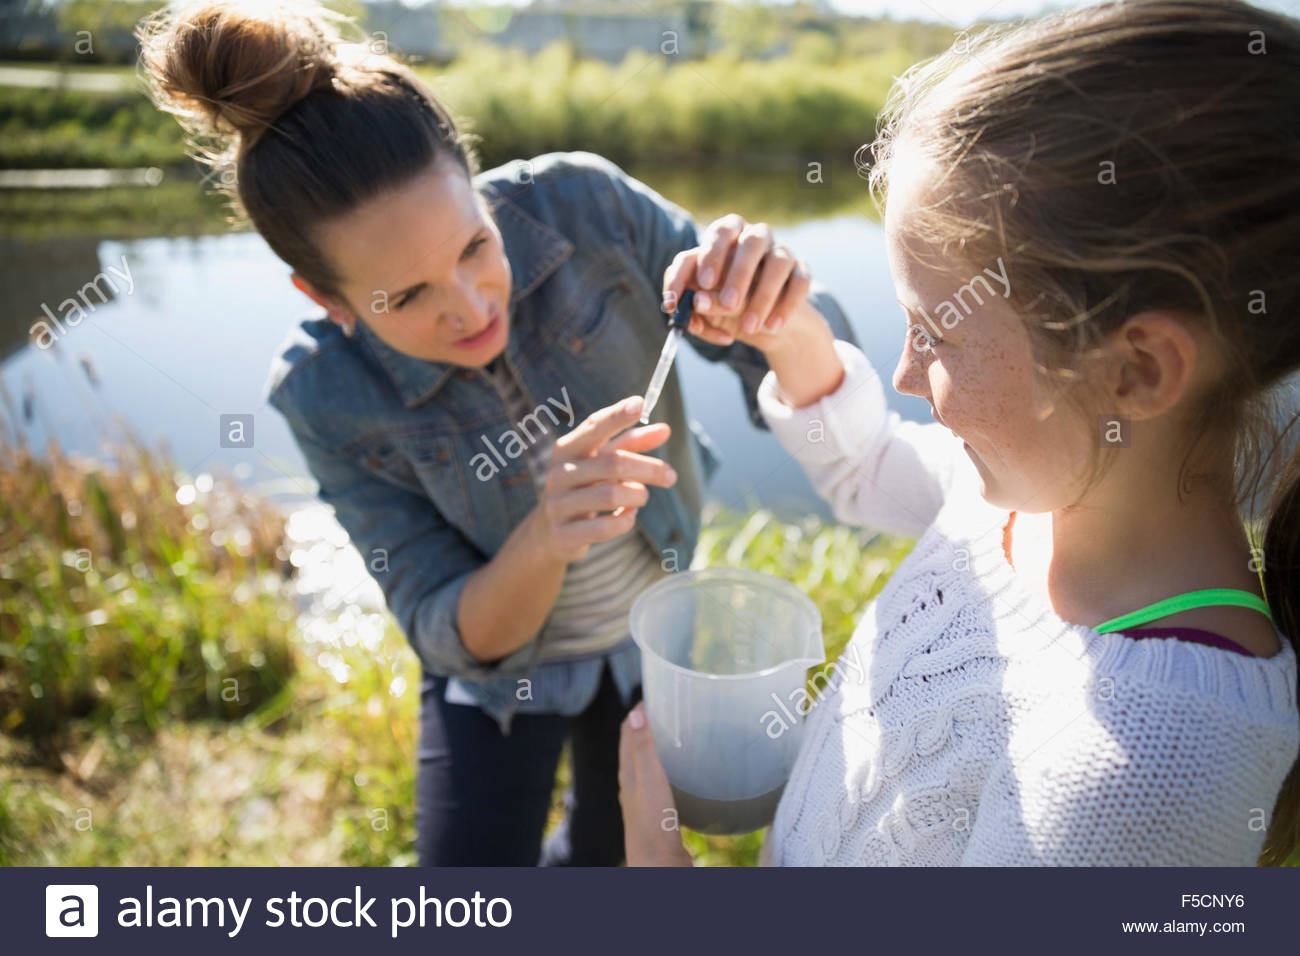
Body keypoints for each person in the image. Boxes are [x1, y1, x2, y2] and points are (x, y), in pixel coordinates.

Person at [136, 0, 856, 866]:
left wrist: (776, 313)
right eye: (405, 298)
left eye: (475, 246)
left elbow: (800, 384)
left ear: (478, 182)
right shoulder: (322, 394)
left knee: (603, 859)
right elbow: (446, 627)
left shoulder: (587, 206)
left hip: (647, 646)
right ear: (325, 302)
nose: (475, 308)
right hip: (496, 681)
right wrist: (547, 536)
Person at [620, 0, 1300, 866]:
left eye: (936, 331)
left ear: (1136, 372)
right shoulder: (1025, 503)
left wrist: (656, 866)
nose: (906, 373)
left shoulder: (1146, 770)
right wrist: (784, 333)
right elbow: (866, 464)